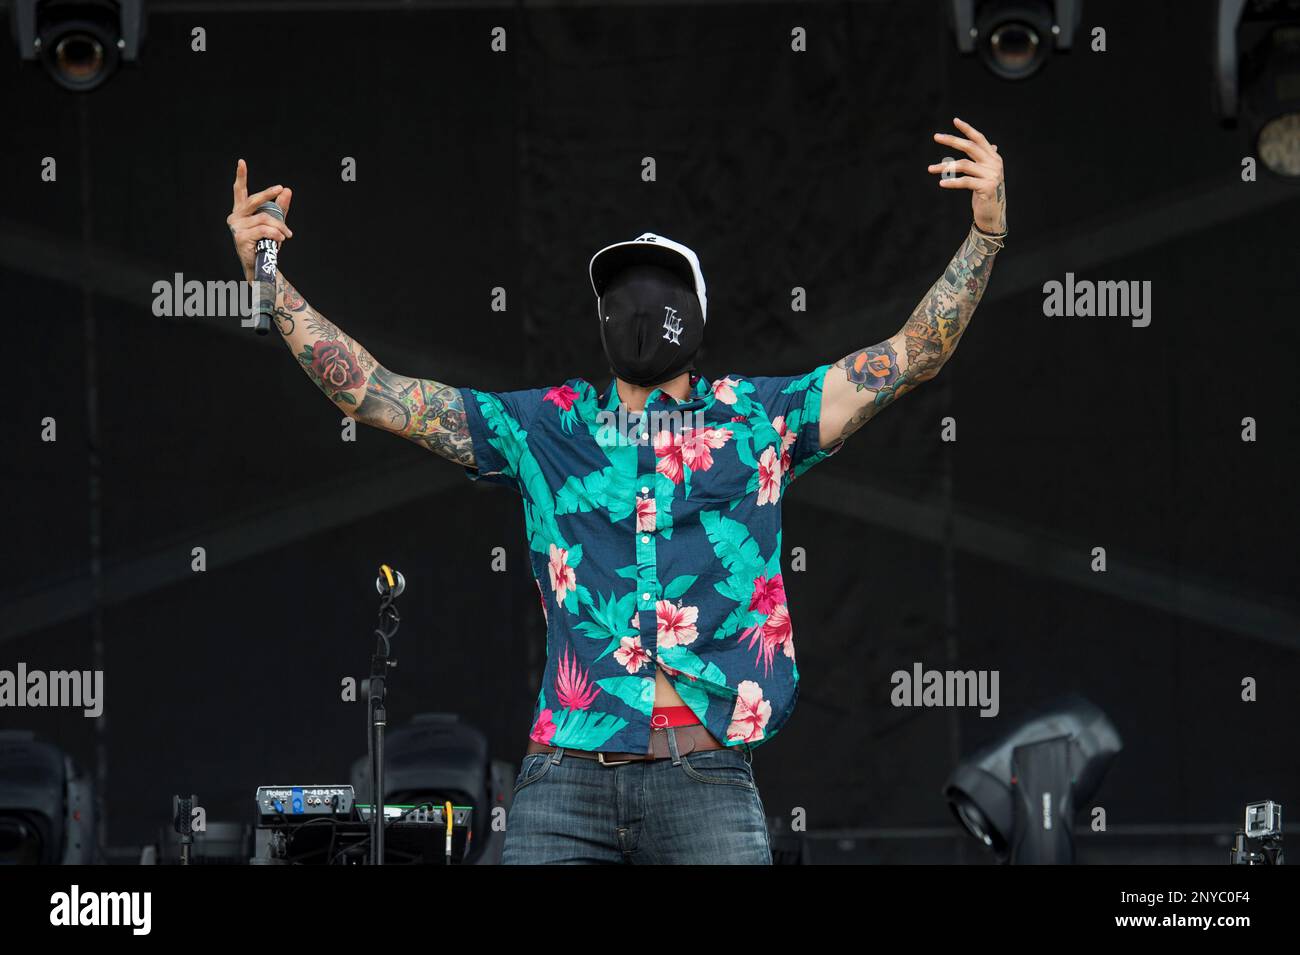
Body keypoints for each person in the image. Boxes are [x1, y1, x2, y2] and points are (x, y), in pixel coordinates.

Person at [226, 117, 1007, 864]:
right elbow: (373, 392)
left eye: (660, 287)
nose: (640, 305)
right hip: (563, 774)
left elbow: (912, 356)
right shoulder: (546, 426)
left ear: (696, 310)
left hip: (704, 774)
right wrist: (268, 279)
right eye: (622, 289)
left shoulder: (758, 418)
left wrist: (986, 234)